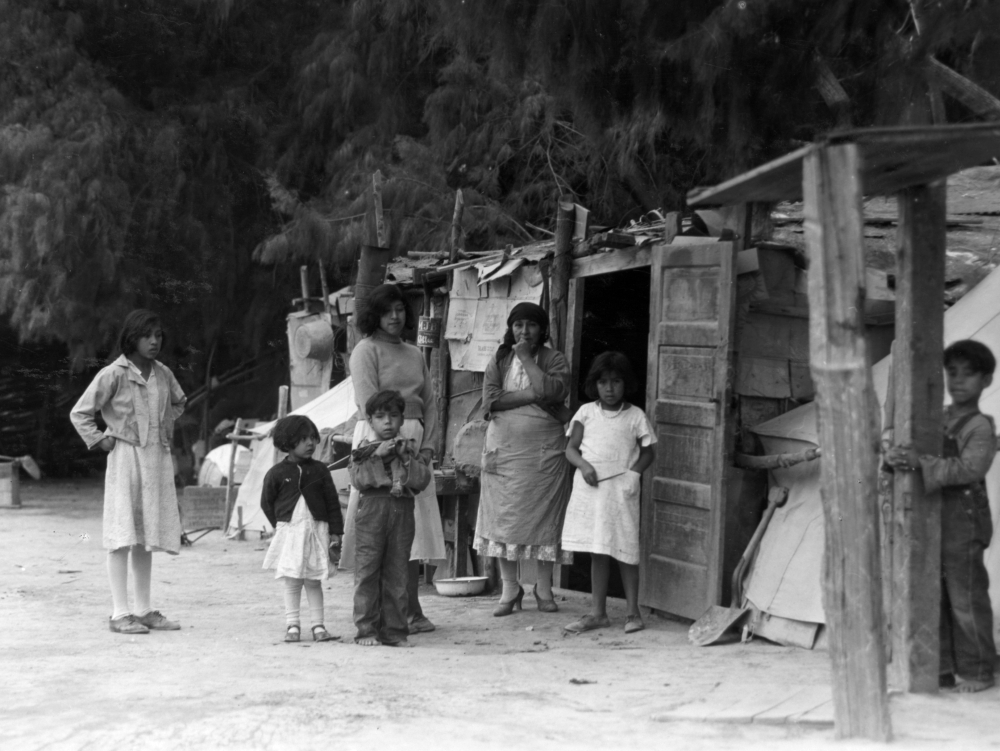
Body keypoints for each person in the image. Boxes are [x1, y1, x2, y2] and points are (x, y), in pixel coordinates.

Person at [884, 339, 997, 693]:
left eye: (969, 374)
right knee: (935, 594)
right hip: (933, 517)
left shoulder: (980, 426)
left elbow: (969, 468)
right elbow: (912, 454)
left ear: (987, 380)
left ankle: (978, 672)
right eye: (952, 373)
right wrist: (897, 457)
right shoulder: (939, 417)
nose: (958, 381)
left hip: (964, 519)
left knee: (965, 597)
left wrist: (922, 462)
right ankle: (942, 668)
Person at [70, 309, 187, 635]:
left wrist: (161, 427)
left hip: (156, 459)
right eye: (147, 335)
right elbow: (80, 412)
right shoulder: (115, 373)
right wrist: (100, 439)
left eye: (158, 335)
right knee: (122, 533)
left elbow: (179, 402)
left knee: (145, 536)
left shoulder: (162, 373)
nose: (154, 341)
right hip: (125, 459)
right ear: (132, 337)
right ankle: (120, 613)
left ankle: (144, 609)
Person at [342, 283, 446, 636]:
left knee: (412, 529)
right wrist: (386, 446)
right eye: (387, 311)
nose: (395, 316)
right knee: (380, 529)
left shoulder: (415, 353)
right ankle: (379, 616)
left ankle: (410, 611)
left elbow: (430, 402)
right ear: (375, 315)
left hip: (415, 443)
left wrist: (427, 447)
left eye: (400, 309)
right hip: (380, 440)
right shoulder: (365, 350)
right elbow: (372, 406)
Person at [473, 301, 574, 616]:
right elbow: (490, 399)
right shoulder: (500, 358)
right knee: (503, 519)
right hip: (504, 454)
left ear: (542, 330)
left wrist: (528, 360)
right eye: (518, 325)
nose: (524, 331)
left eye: (531, 325)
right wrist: (532, 395)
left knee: (544, 518)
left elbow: (554, 390)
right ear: (511, 328)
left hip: (544, 456)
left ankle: (543, 589)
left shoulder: (554, 359)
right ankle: (510, 587)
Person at [561, 352, 656, 634]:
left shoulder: (635, 416)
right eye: (603, 382)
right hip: (591, 488)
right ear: (595, 385)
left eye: (616, 382)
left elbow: (649, 452)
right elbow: (570, 449)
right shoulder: (586, 413)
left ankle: (632, 613)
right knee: (598, 549)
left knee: (626, 549)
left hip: (621, 489)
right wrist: (584, 466)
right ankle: (598, 612)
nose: (610, 388)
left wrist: (633, 474)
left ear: (626, 383)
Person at [350, 390, 432, 647]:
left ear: (402, 420)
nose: (387, 422)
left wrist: (405, 457)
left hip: (401, 512)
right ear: (370, 420)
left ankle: (395, 632)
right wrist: (378, 456)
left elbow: (421, 481)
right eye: (380, 416)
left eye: (394, 416)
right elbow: (358, 480)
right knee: (367, 573)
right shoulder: (363, 451)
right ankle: (366, 630)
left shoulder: (408, 448)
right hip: (372, 512)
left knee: (398, 573)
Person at [260, 415, 343, 643]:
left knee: (314, 580)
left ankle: (318, 627)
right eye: (303, 439)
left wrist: (336, 531)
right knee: (292, 581)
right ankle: (292, 626)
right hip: (290, 534)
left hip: (317, 532)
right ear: (287, 442)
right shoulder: (276, 473)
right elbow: (267, 503)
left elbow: (332, 502)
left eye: (313, 438)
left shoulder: (320, 470)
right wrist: (282, 525)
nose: (310, 444)